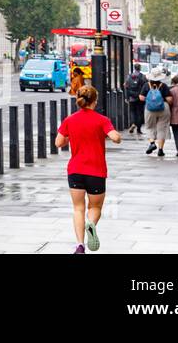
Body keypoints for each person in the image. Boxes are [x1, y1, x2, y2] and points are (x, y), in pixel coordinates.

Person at [55, 84, 122, 254]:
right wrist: (114, 136)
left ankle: (79, 245)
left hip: (75, 170)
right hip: (96, 171)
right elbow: (115, 137)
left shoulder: (70, 120)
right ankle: (91, 224)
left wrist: (71, 137)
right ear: (95, 101)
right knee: (95, 208)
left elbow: (58, 142)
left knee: (78, 208)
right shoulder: (102, 120)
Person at [142, 68, 172, 158]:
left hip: (149, 109)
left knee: (150, 126)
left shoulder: (146, 85)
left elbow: (141, 97)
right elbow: (170, 100)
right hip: (163, 108)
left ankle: (152, 143)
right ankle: (160, 149)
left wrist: (150, 99)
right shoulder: (164, 86)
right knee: (162, 128)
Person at [125, 66, 148, 136]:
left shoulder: (129, 76)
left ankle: (133, 123)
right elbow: (146, 86)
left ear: (134, 68)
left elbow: (126, 87)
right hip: (140, 97)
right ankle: (139, 129)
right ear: (140, 68)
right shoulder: (143, 77)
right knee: (140, 113)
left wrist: (127, 97)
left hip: (132, 98)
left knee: (132, 111)